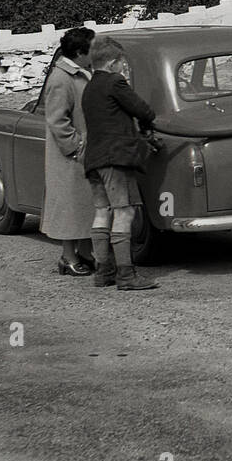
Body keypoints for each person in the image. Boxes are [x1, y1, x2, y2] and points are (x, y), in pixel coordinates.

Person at [81, 37, 159, 292]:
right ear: (114, 63)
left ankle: (103, 271)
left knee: (102, 212)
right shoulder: (115, 82)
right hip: (116, 158)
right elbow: (144, 111)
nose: (122, 68)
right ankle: (126, 275)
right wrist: (147, 128)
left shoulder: (90, 87)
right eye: (121, 63)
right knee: (124, 212)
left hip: (94, 159)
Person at [40, 26, 97, 276]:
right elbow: (56, 120)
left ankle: (85, 252)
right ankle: (68, 256)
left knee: (85, 205)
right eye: (92, 49)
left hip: (85, 150)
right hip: (70, 155)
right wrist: (75, 146)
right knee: (70, 205)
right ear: (79, 52)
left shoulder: (82, 73)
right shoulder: (62, 78)